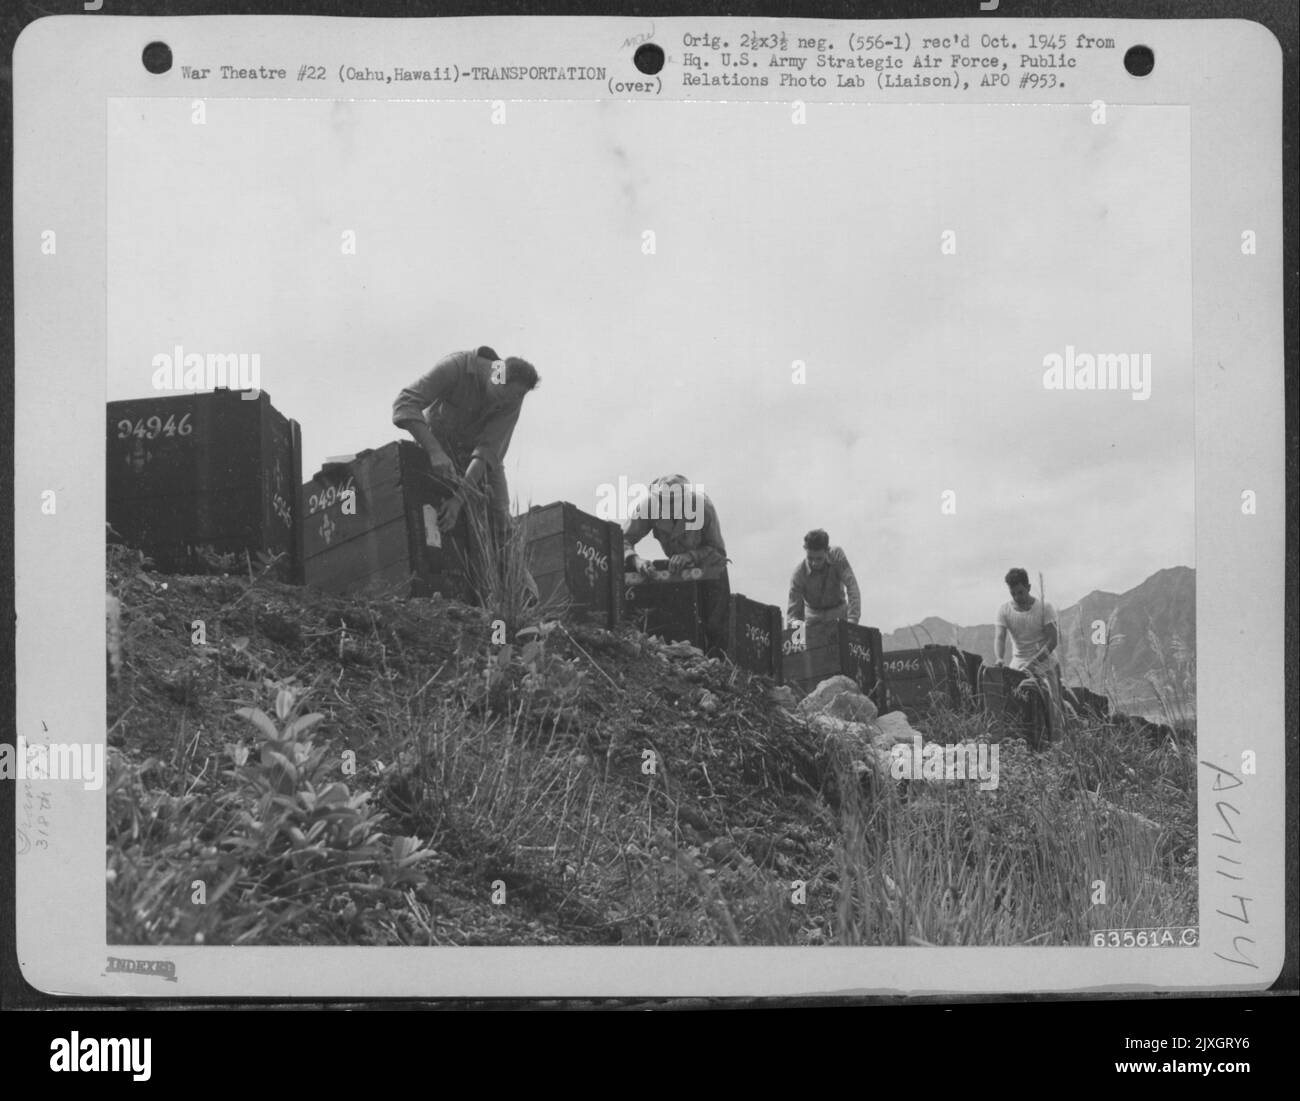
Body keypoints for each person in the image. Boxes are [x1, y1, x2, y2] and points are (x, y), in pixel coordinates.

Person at [392, 345, 539, 582]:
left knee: (502, 522)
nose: (506, 404)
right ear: (496, 374)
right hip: (437, 448)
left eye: (515, 398)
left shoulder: (513, 396)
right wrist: (434, 451)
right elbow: (404, 404)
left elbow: (487, 452)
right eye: (502, 397)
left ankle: (521, 599)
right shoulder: (455, 367)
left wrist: (459, 499)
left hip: (479, 460)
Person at [622, 475, 731, 656]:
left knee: (715, 625)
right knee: (681, 622)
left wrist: (690, 556)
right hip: (678, 571)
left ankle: (717, 664)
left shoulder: (703, 507)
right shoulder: (648, 507)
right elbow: (622, 540)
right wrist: (635, 560)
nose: (670, 508)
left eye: (675, 503)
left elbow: (718, 552)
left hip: (709, 566)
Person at [992, 567, 1066, 743]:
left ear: (1029, 587)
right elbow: (1000, 637)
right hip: (1019, 666)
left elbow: (1052, 641)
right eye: (1013, 593)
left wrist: (1034, 663)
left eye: (1020, 592)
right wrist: (1000, 658)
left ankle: (1056, 747)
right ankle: (1023, 747)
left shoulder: (1044, 608)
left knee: (1052, 711)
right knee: (1017, 709)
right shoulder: (1004, 611)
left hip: (1045, 664)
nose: (1017, 597)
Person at [786, 529, 862, 631]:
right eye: (810, 558)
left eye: (819, 559)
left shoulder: (837, 556)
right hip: (812, 619)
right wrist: (798, 641)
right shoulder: (798, 574)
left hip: (839, 614)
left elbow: (852, 587)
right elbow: (794, 614)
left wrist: (852, 621)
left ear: (827, 551)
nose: (814, 563)